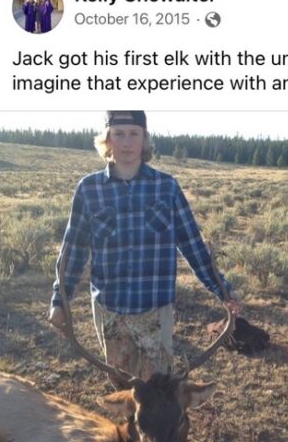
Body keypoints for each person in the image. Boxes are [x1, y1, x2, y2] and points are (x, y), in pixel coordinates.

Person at [49, 110, 240, 381]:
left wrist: (223, 291)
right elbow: (73, 252)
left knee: (159, 387)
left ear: (144, 140)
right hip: (110, 311)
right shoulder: (89, 190)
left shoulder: (167, 188)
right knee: (123, 388)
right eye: (119, 134)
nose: (127, 142)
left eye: (134, 134)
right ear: (108, 140)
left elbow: (193, 246)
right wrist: (60, 301)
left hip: (155, 311)